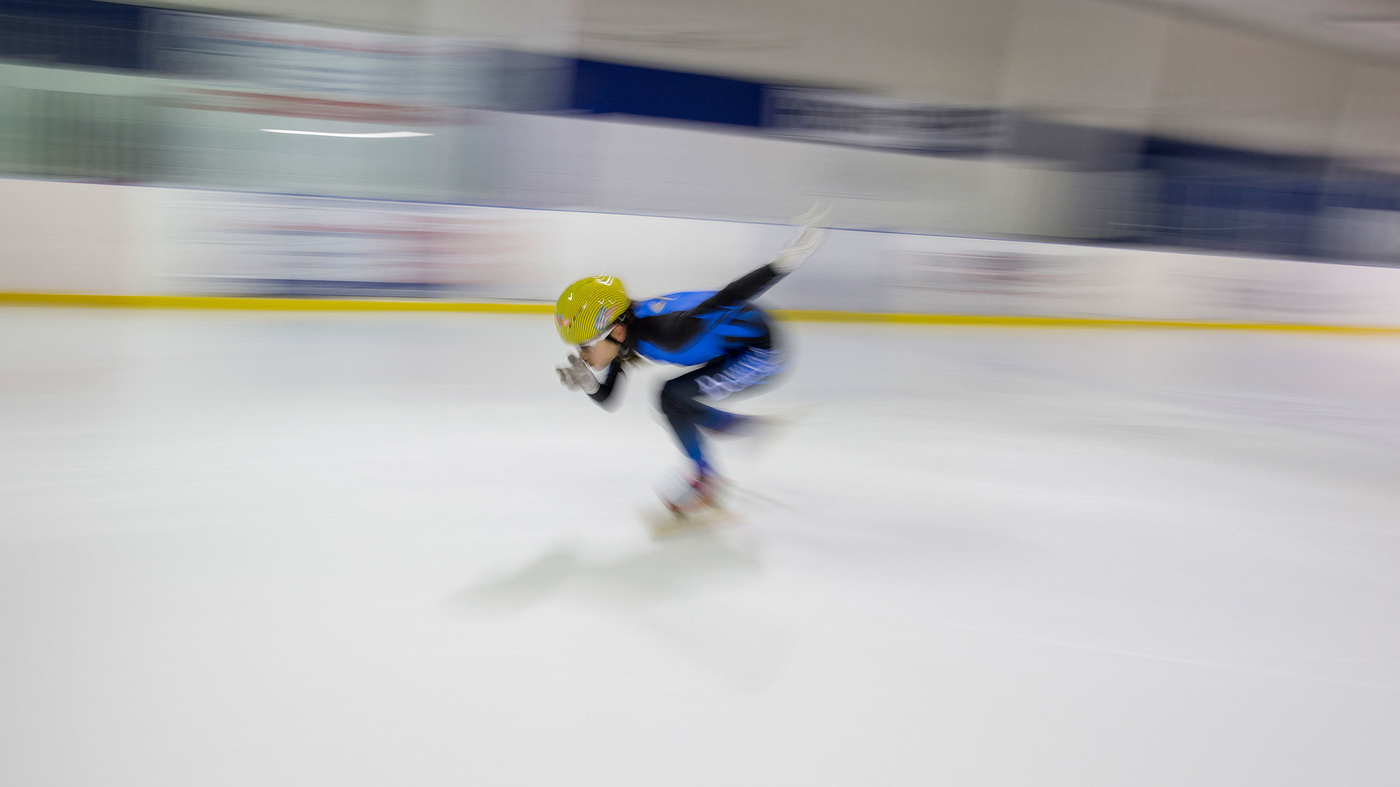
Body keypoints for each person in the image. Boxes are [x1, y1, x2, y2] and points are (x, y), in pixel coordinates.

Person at [554, 209, 829, 516]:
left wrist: (783, 263)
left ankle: (708, 478)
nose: (583, 354)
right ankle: (742, 428)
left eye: (587, 343)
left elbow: (729, 296)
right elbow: (609, 399)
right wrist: (590, 383)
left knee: (673, 397)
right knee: (674, 398)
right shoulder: (627, 335)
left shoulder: (669, 332)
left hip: (763, 352)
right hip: (733, 348)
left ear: (616, 330)